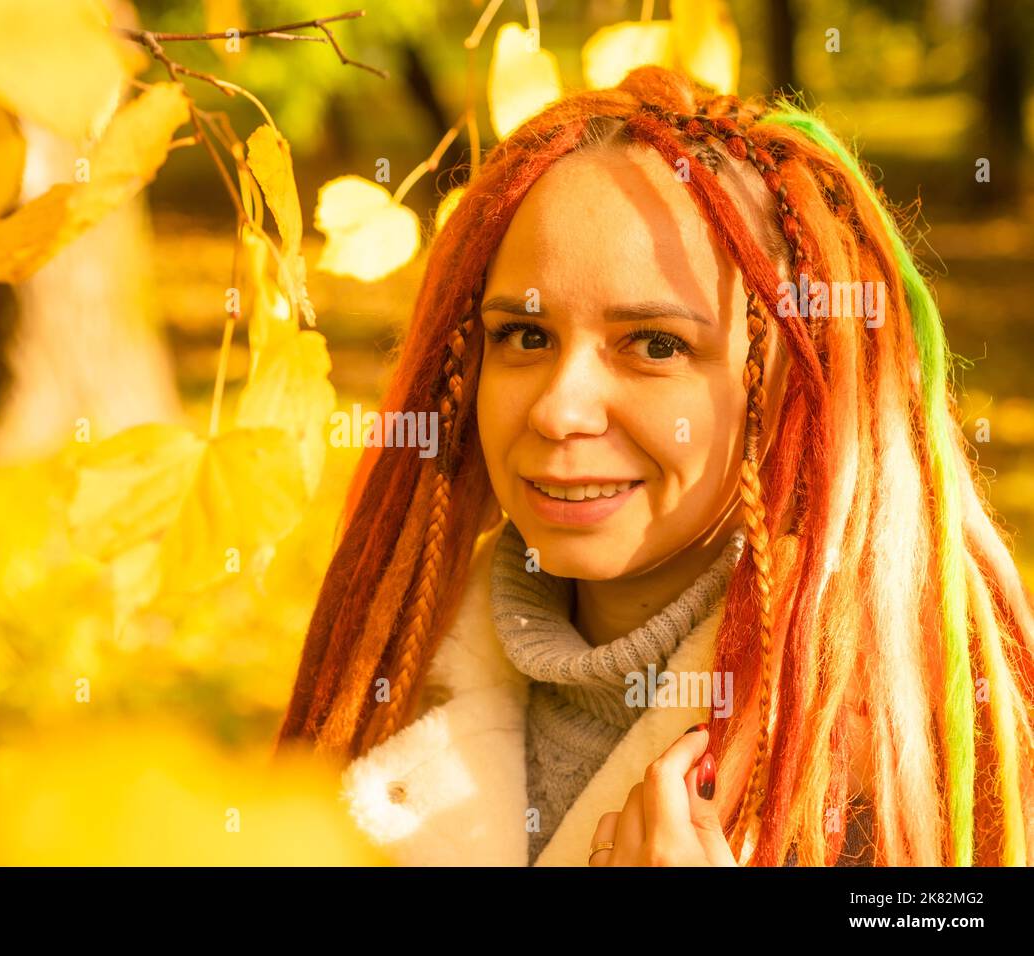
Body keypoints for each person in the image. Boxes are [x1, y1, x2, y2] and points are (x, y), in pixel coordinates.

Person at [275, 66, 1034, 867]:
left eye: (656, 345)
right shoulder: (376, 688)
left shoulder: (909, 779)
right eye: (525, 337)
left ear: (788, 384)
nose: (559, 410)